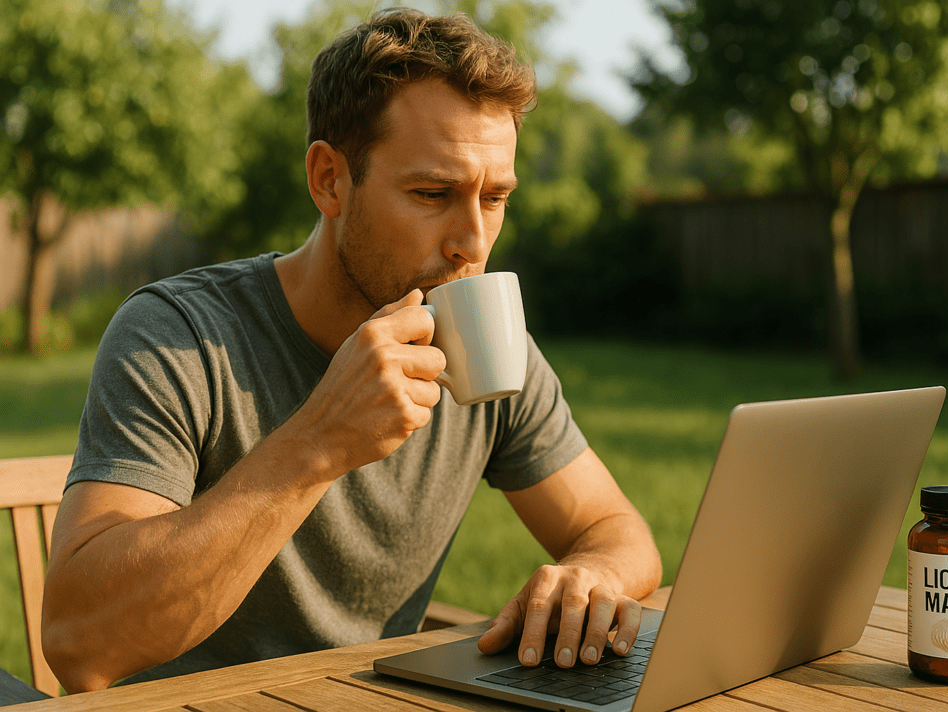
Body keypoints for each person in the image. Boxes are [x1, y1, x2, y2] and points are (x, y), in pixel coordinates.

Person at [41, 8, 661, 694]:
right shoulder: (180, 335)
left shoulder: (487, 343)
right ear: (330, 180)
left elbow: (616, 529)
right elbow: (79, 642)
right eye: (433, 194)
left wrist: (594, 574)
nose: (474, 241)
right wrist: (319, 442)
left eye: (495, 197)